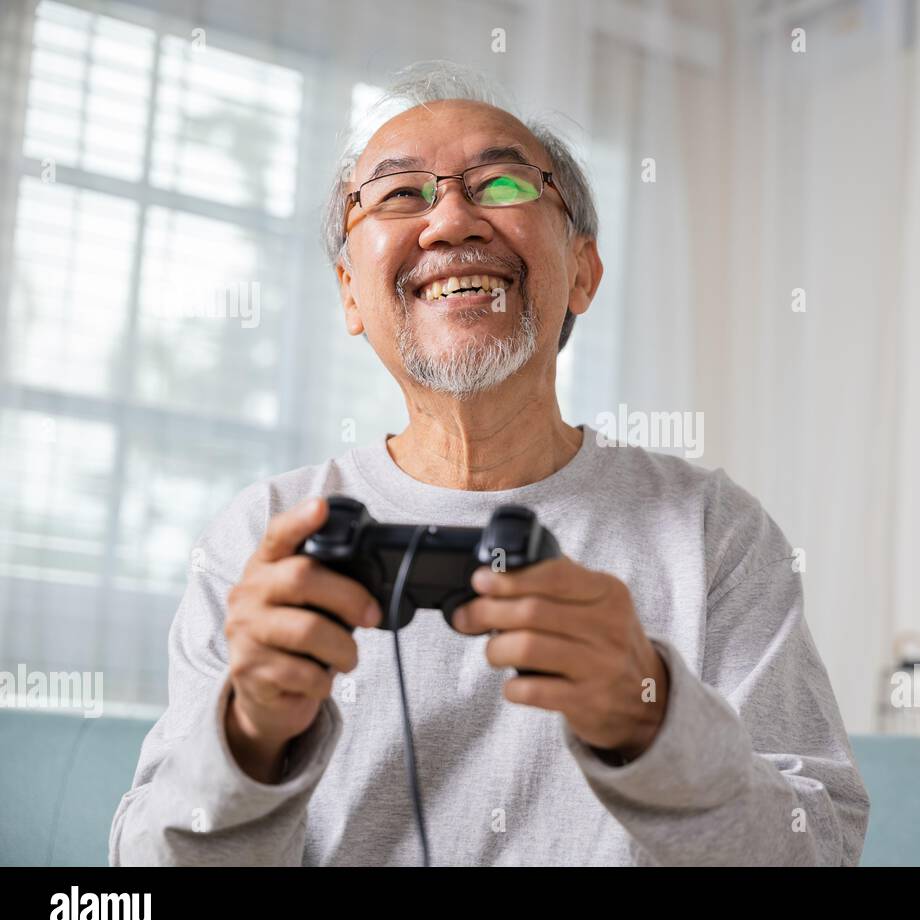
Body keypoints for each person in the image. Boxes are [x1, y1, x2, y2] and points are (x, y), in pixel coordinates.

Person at [108, 61, 870, 866]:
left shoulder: (715, 531)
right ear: (350, 296)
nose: (451, 222)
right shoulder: (262, 536)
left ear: (583, 270)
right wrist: (250, 736)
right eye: (401, 195)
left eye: (502, 186)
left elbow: (816, 851)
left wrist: (653, 720)